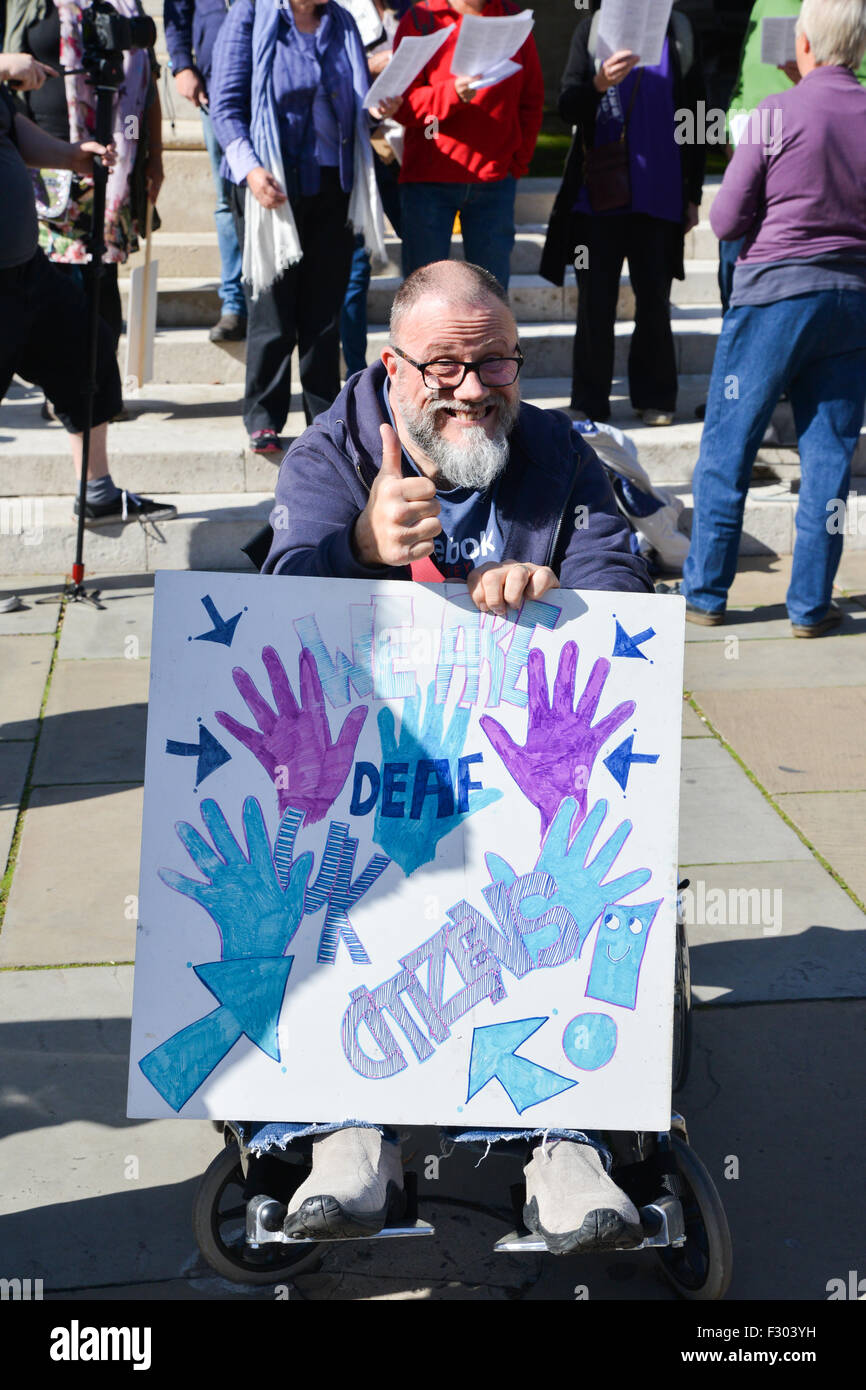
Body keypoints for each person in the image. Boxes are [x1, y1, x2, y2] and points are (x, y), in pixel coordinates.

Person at [243, 259, 656, 1255]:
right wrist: (355, 542)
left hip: (511, 782)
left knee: (563, 867)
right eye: (442, 367)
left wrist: (556, 587)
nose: (471, 388)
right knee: (328, 875)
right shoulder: (328, 453)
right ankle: (346, 1130)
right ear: (392, 369)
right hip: (376, 772)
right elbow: (284, 584)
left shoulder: (558, 450)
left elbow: (622, 594)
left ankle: (561, 1139)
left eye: (494, 363)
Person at [681, 0, 866, 638]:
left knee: (729, 445)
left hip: (773, 297)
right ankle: (811, 606)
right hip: (853, 300)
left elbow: (728, 220)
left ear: (804, 44)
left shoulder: (776, 112)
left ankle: (706, 593)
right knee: (828, 457)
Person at [0, 51, 175, 569]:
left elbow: (11, 128)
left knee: (88, 347)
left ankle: (95, 487)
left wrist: (70, 155)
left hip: (25, 270)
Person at [209, 0, 386, 455]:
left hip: (334, 182)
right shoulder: (250, 15)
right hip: (271, 182)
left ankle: (324, 417)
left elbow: (357, 106)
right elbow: (226, 108)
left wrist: (380, 107)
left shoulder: (341, 23)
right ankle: (263, 416)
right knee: (273, 306)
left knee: (324, 311)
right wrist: (250, 169)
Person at [540, 7, 706, 427]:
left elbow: (697, 114)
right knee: (595, 301)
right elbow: (567, 104)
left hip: (662, 196)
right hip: (597, 198)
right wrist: (599, 84)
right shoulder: (591, 30)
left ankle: (655, 398)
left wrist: (693, 193)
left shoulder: (678, 31)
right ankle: (590, 400)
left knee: (654, 301)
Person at [4, 0, 163, 363]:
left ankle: (99, 378)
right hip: (40, 164)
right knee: (53, 283)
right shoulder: (31, 5)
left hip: (109, 165)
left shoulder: (122, 5)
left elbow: (141, 93)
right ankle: (62, 383)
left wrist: (143, 153)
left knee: (101, 280)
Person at [381, 0, 544, 291]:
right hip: (428, 182)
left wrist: (517, 164)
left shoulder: (511, 18)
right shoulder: (421, 19)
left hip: (494, 181)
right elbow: (401, 105)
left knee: (492, 297)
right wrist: (451, 94)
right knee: (424, 295)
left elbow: (531, 99)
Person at [163, 0, 247, 343]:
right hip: (215, 89)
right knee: (228, 199)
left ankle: (273, 302)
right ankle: (235, 304)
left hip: (270, 85)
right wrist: (182, 65)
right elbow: (177, 13)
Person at [336, 0, 411, 377]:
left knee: (422, 261)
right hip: (360, 153)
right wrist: (373, 65)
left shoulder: (412, 10)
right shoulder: (337, 10)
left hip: (406, 151)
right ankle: (354, 375)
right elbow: (330, 72)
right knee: (355, 271)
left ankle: (421, 367)